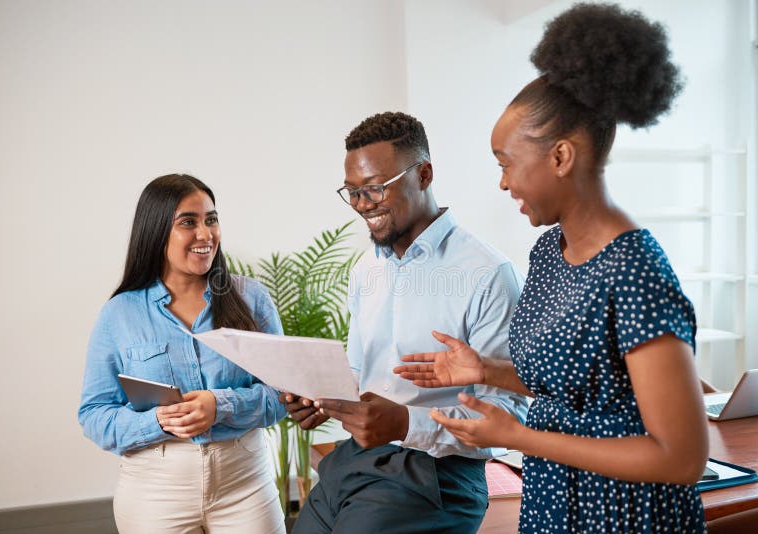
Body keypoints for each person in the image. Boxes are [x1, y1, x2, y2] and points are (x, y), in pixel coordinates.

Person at [394, 4, 708, 532]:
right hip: (554, 502)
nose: (502, 183)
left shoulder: (634, 270)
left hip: (625, 517)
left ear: (561, 157)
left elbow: (681, 457)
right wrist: (488, 372)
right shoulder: (548, 253)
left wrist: (517, 437)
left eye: (505, 163)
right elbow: (577, 384)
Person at [282, 112, 529, 533]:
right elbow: (361, 376)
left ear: (425, 174)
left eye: (376, 188)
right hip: (357, 459)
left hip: (438, 476)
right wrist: (324, 401)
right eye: (353, 192)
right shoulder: (366, 271)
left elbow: (509, 413)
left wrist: (406, 423)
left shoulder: (486, 273)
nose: (363, 205)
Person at [78, 174, 286, 534]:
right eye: (188, 222)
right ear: (157, 231)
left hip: (245, 483)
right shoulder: (119, 314)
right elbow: (94, 414)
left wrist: (220, 405)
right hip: (155, 490)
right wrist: (158, 421)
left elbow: (284, 395)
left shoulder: (251, 298)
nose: (205, 234)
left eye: (211, 220)